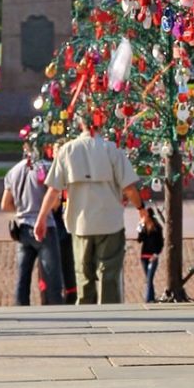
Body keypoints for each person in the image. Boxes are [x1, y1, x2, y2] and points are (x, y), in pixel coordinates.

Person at [35, 113, 146, 305]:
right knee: (108, 274)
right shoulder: (112, 150)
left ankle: (86, 314)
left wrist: (41, 219)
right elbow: (129, 188)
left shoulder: (67, 150)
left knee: (83, 274)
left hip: (81, 224)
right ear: (100, 123)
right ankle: (109, 314)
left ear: (80, 124)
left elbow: (53, 190)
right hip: (109, 222)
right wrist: (141, 209)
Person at [2, 150, 64, 305]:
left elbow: (5, 204)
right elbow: (55, 202)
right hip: (45, 228)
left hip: (22, 228)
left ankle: (21, 312)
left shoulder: (13, 171)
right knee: (52, 278)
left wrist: (24, 210)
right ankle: (58, 314)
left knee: (22, 278)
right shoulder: (47, 168)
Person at [136, 206, 164, 303]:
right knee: (148, 279)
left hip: (153, 256)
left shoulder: (157, 228)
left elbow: (160, 243)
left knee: (149, 278)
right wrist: (140, 229)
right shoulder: (144, 228)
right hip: (144, 256)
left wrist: (156, 253)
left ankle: (149, 299)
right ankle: (150, 298)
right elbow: (139, 240)